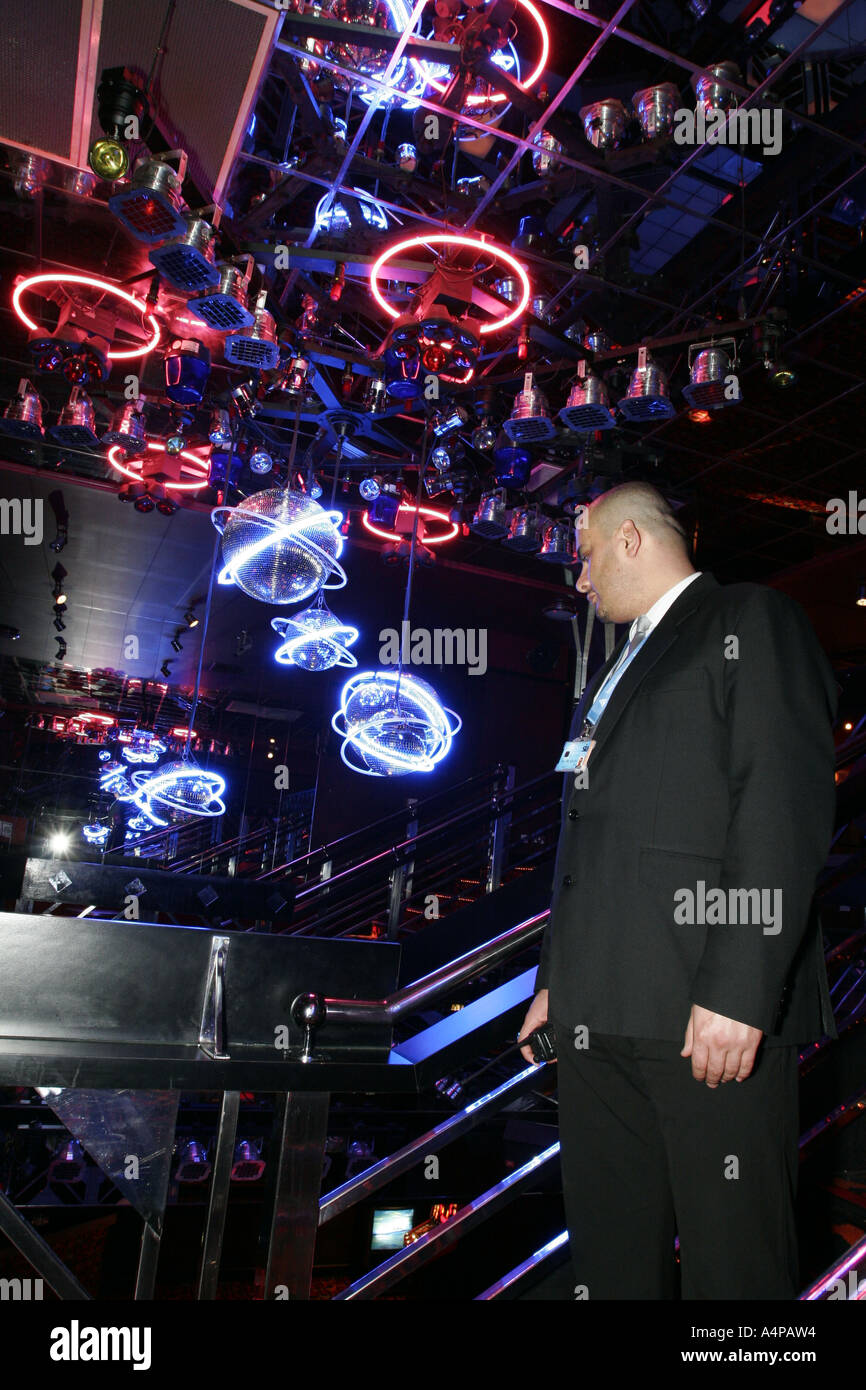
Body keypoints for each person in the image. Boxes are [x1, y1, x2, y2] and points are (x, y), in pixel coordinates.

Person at [520, 481, 837, 1300]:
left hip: (707, 1011)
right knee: (613, 1256)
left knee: (735, 1265)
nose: (580, 582)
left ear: (631, 540)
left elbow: (781, 803)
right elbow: (585, 842)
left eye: (585, 558)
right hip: (598, 1007)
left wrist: (739, 991)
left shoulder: (749, 619)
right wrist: (555, 980)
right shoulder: (615, 668)